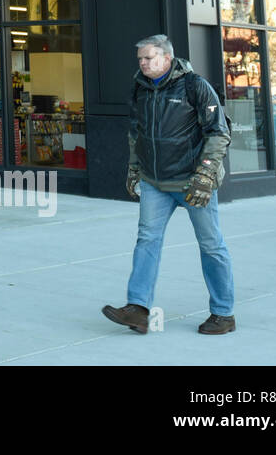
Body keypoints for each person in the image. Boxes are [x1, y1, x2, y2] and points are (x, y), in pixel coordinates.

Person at [103, 34, 235, 335]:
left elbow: (218, 133)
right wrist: (134, 170)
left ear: (166, 57)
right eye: (140, 59)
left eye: (148, 58)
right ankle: (137, 310)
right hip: (154, 183)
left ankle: (223, 314)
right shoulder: (140, 89)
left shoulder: (194, 86)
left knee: (211, 245)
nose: (143, 63)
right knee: (146, 241)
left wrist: (204, 176)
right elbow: (136, 134)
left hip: (192, 183)